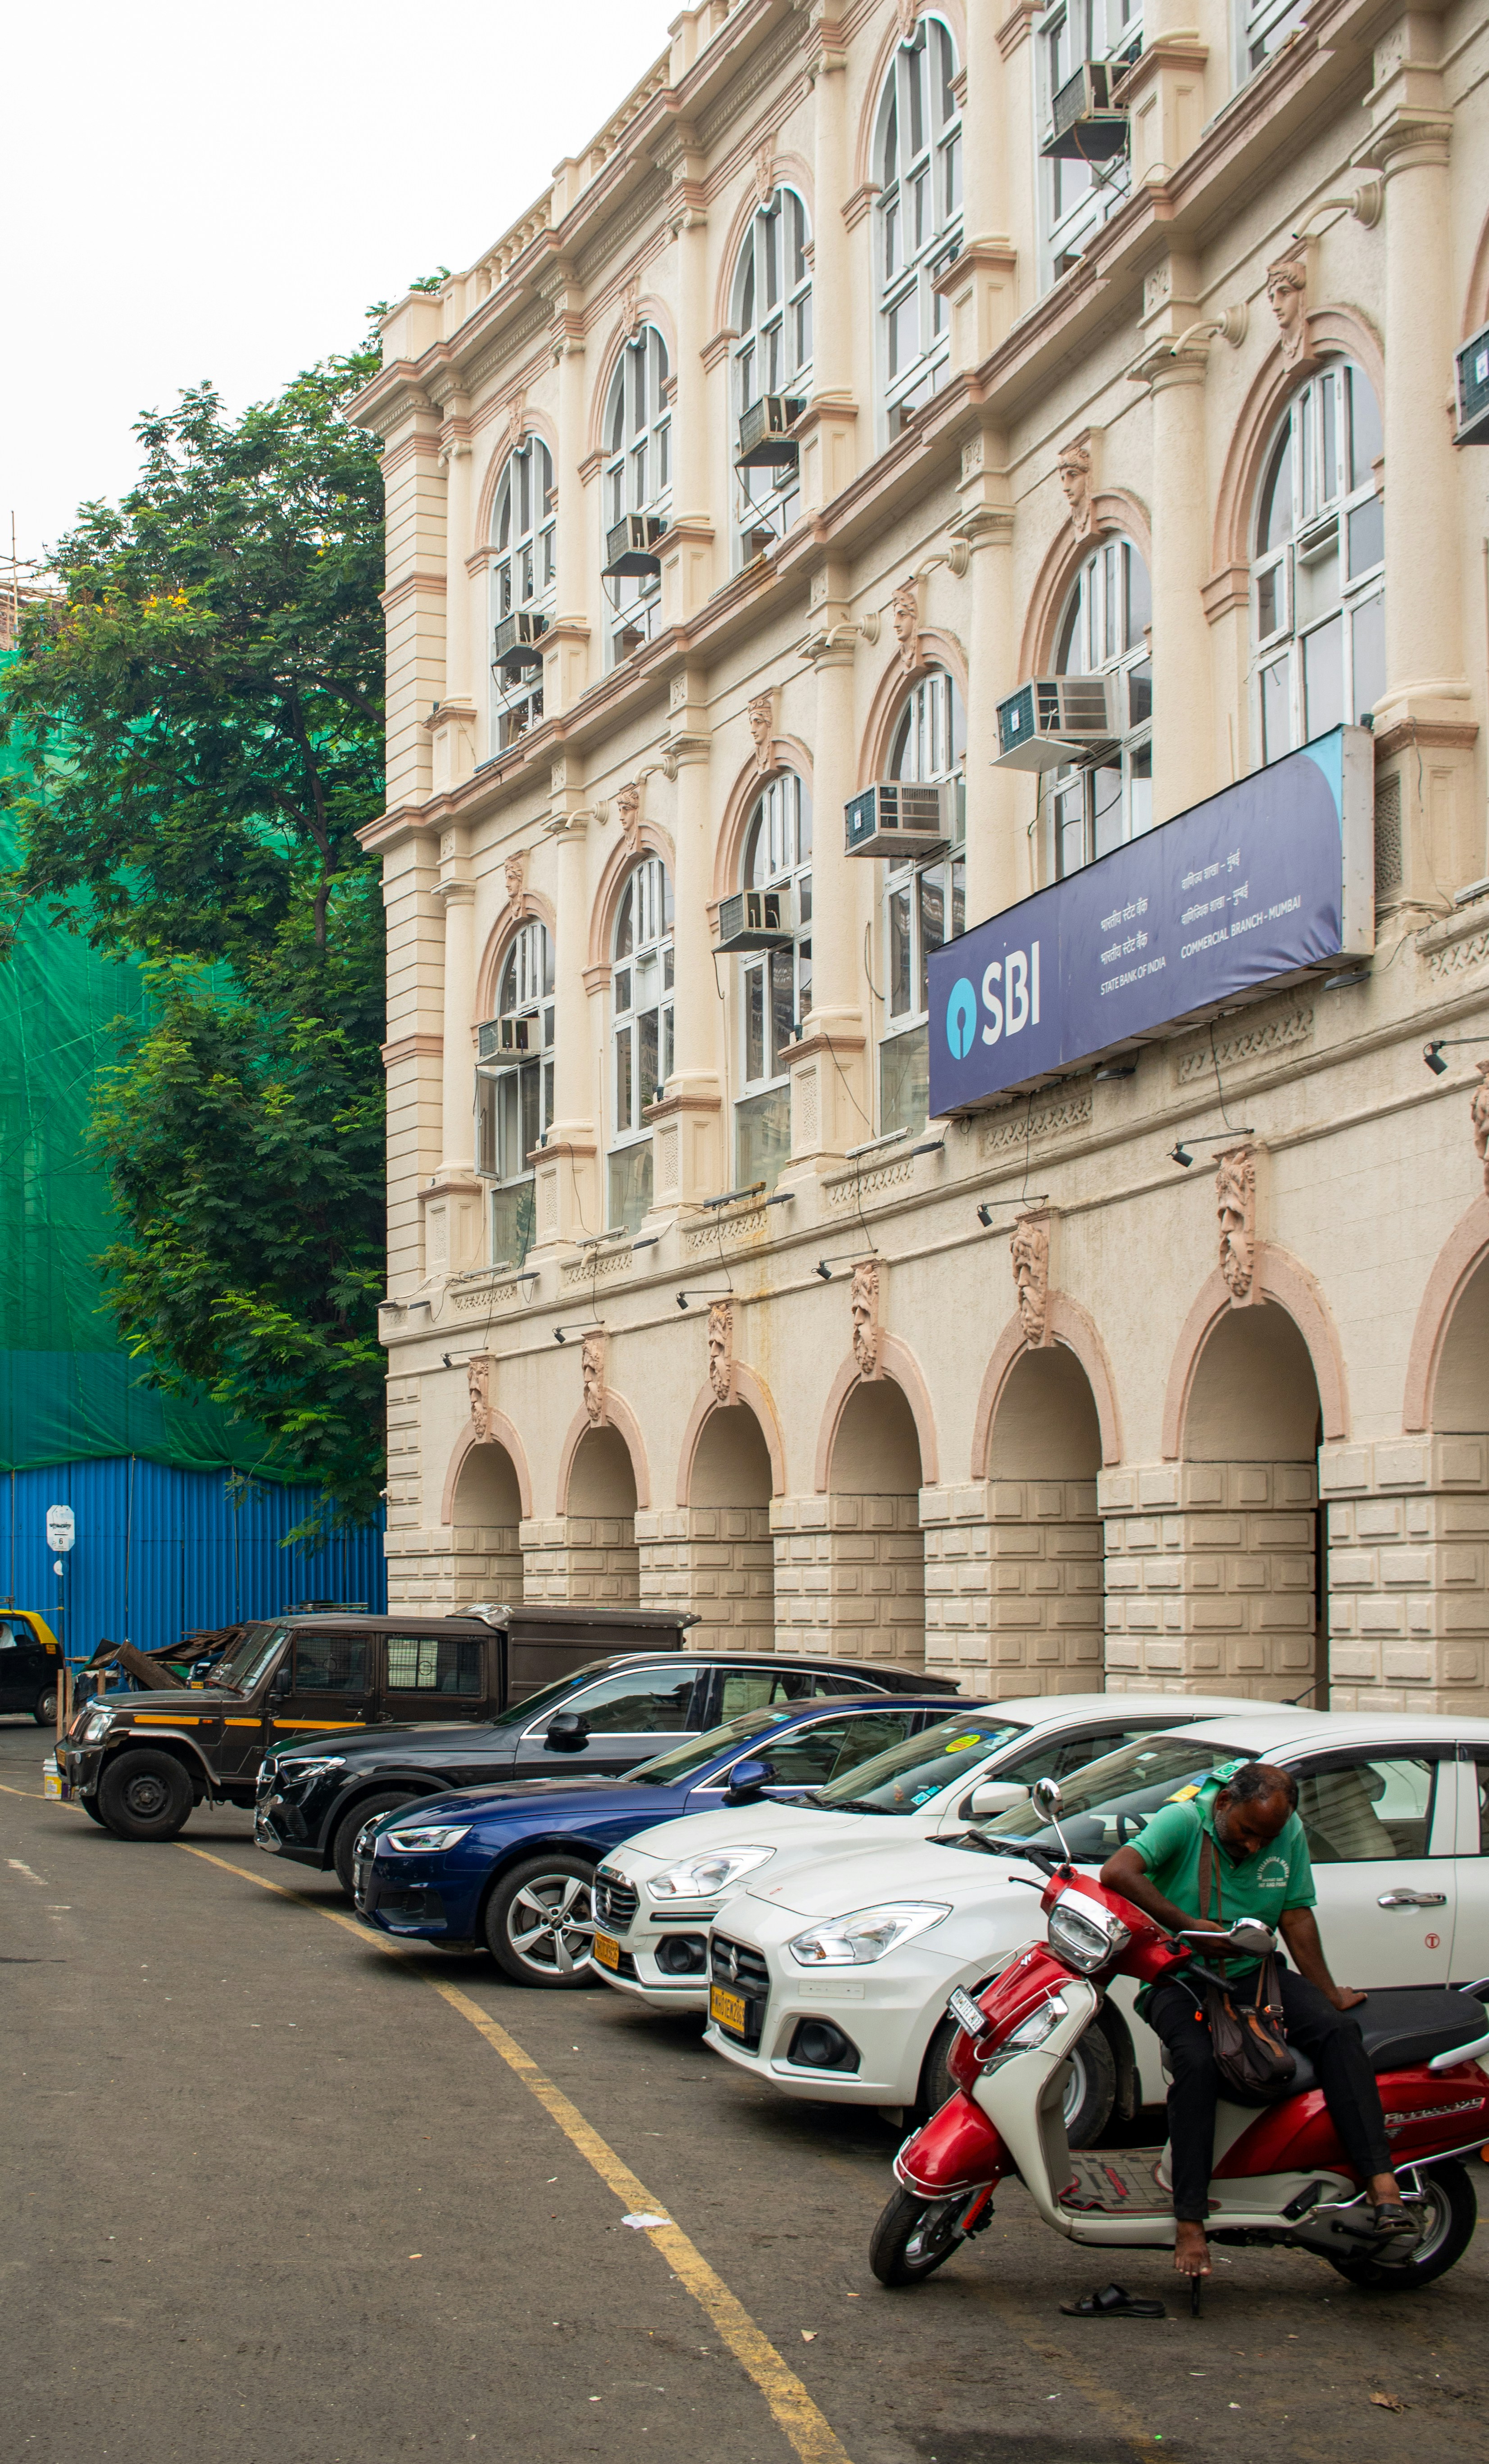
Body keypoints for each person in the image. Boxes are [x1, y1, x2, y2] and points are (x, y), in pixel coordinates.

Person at [1099, 1758, 1416, 2278]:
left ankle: (1383, 2183)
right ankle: (1190, 2220)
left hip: (1254, 1972)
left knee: (1338, 2034)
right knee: (1198, 2064)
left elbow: (1294, 1913)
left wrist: (1327, 1991)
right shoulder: (1185, 1820)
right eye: (1247, 1833)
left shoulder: (1282, 1829)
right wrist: (1189, 1926)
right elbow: (1117, 1872)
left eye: (1264, 1839)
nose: (1254, 1847)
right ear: (1225, 1804)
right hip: (1182, 1977)